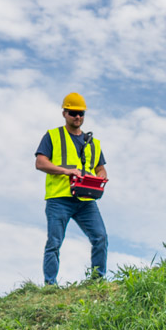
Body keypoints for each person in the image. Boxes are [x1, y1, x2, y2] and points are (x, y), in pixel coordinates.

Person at [35, 92, 109, 283]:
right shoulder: (53, 136)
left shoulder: (94, 143)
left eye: (81, 113)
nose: (77, 117)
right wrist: (65, 171)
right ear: (64, 113)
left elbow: (101, 169)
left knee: (100, 237)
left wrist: (101, 177)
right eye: (73, 113)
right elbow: (40, 163)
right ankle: (50, 286)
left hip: (85, 200)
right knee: (54, 242)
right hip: (59, 199)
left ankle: (97, 281)